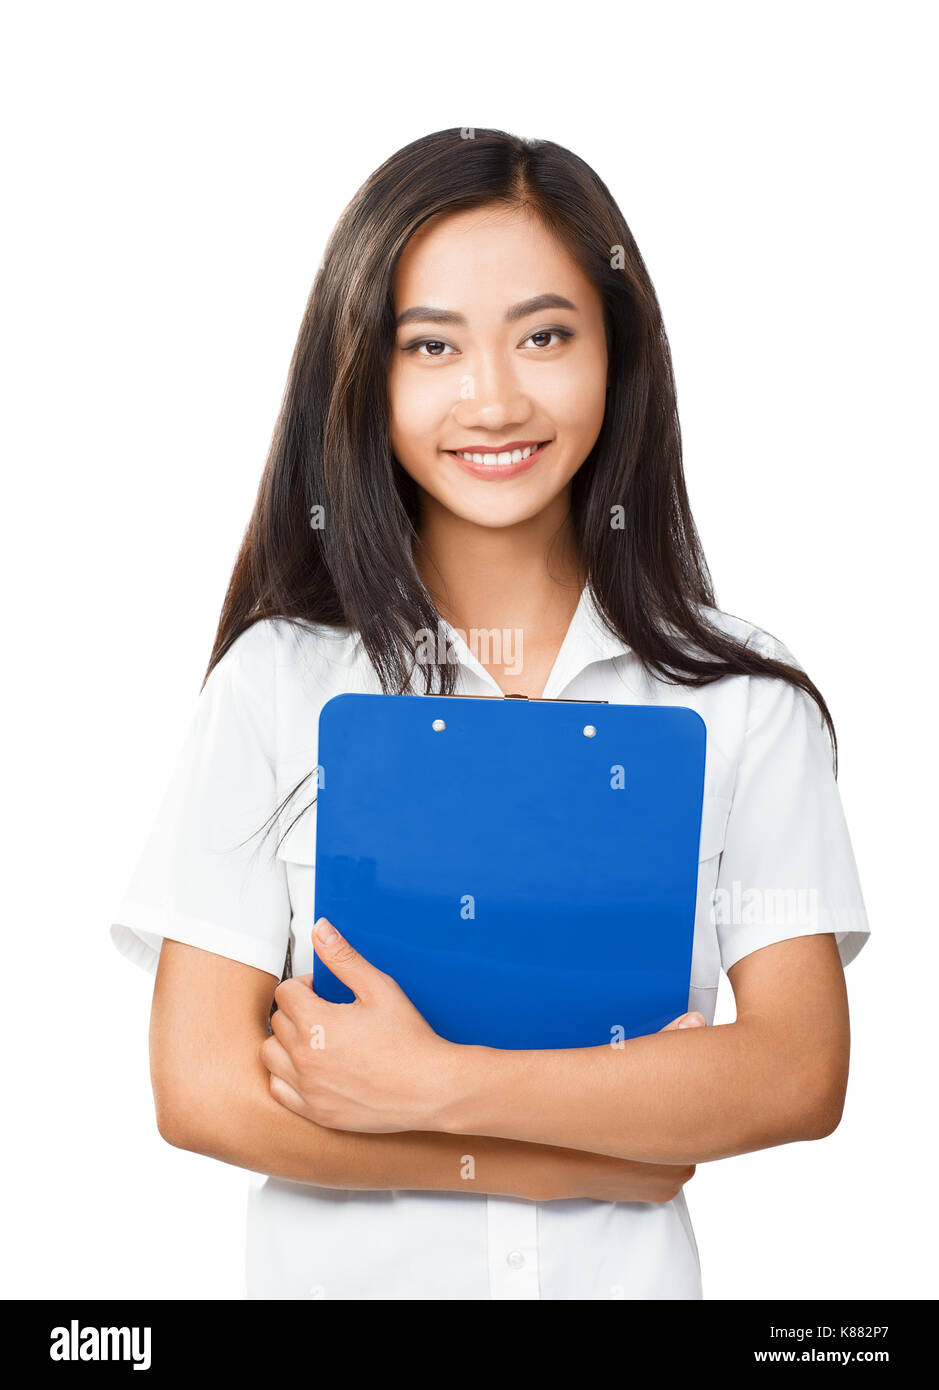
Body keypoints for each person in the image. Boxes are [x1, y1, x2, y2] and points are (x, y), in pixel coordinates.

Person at [110, 127, 870, 1300]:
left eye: (546, 335)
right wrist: (575, 1158)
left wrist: (432, 1084)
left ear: (619, 356)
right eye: (433, 345)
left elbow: (797, 1070)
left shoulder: (743, 700)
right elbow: (202, 1089)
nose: (495, 396)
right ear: (365, 371)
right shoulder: (278, 681)